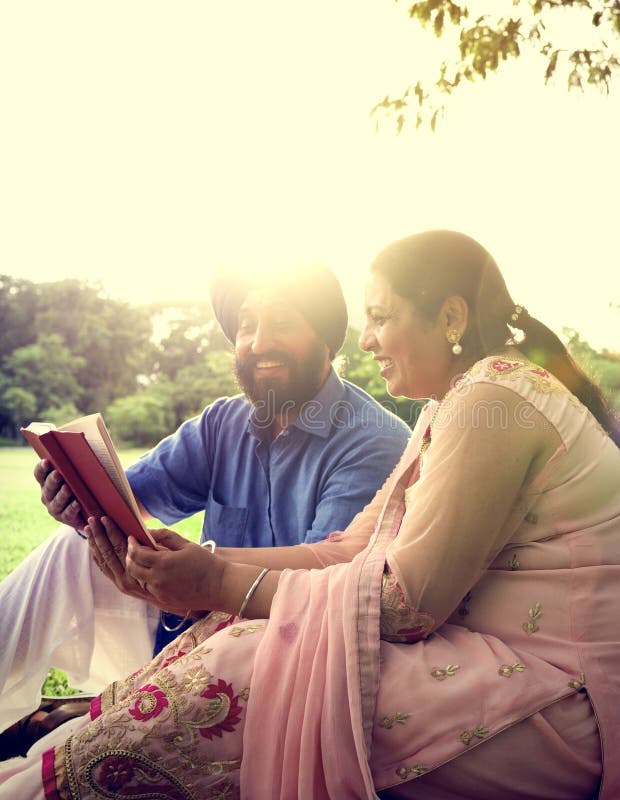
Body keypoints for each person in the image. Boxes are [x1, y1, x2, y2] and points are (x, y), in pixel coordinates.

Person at [0, 231, 620, 799]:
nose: (366, 339)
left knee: (244, 669)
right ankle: (56, 762)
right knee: (233, 645)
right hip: (503, 672)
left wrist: (217, 580)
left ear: (448, 316)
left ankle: (53, 774)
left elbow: (404, 604)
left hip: (566, 705)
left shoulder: (496, 400)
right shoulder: (462, 402)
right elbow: (349, 547)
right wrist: (197, 572)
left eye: (379, 318)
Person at [0, 262, 410, 745]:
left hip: (278, 659)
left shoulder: (373, 440)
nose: (259, 344)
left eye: (281, 323)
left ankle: (89, 715)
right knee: (69, 547)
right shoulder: (224, 422)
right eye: (246, 326)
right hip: (183, 623)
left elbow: (324, 592)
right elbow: (128, 498)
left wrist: (206, 578)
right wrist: (76, 498)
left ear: (326, 337)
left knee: (74, 742)